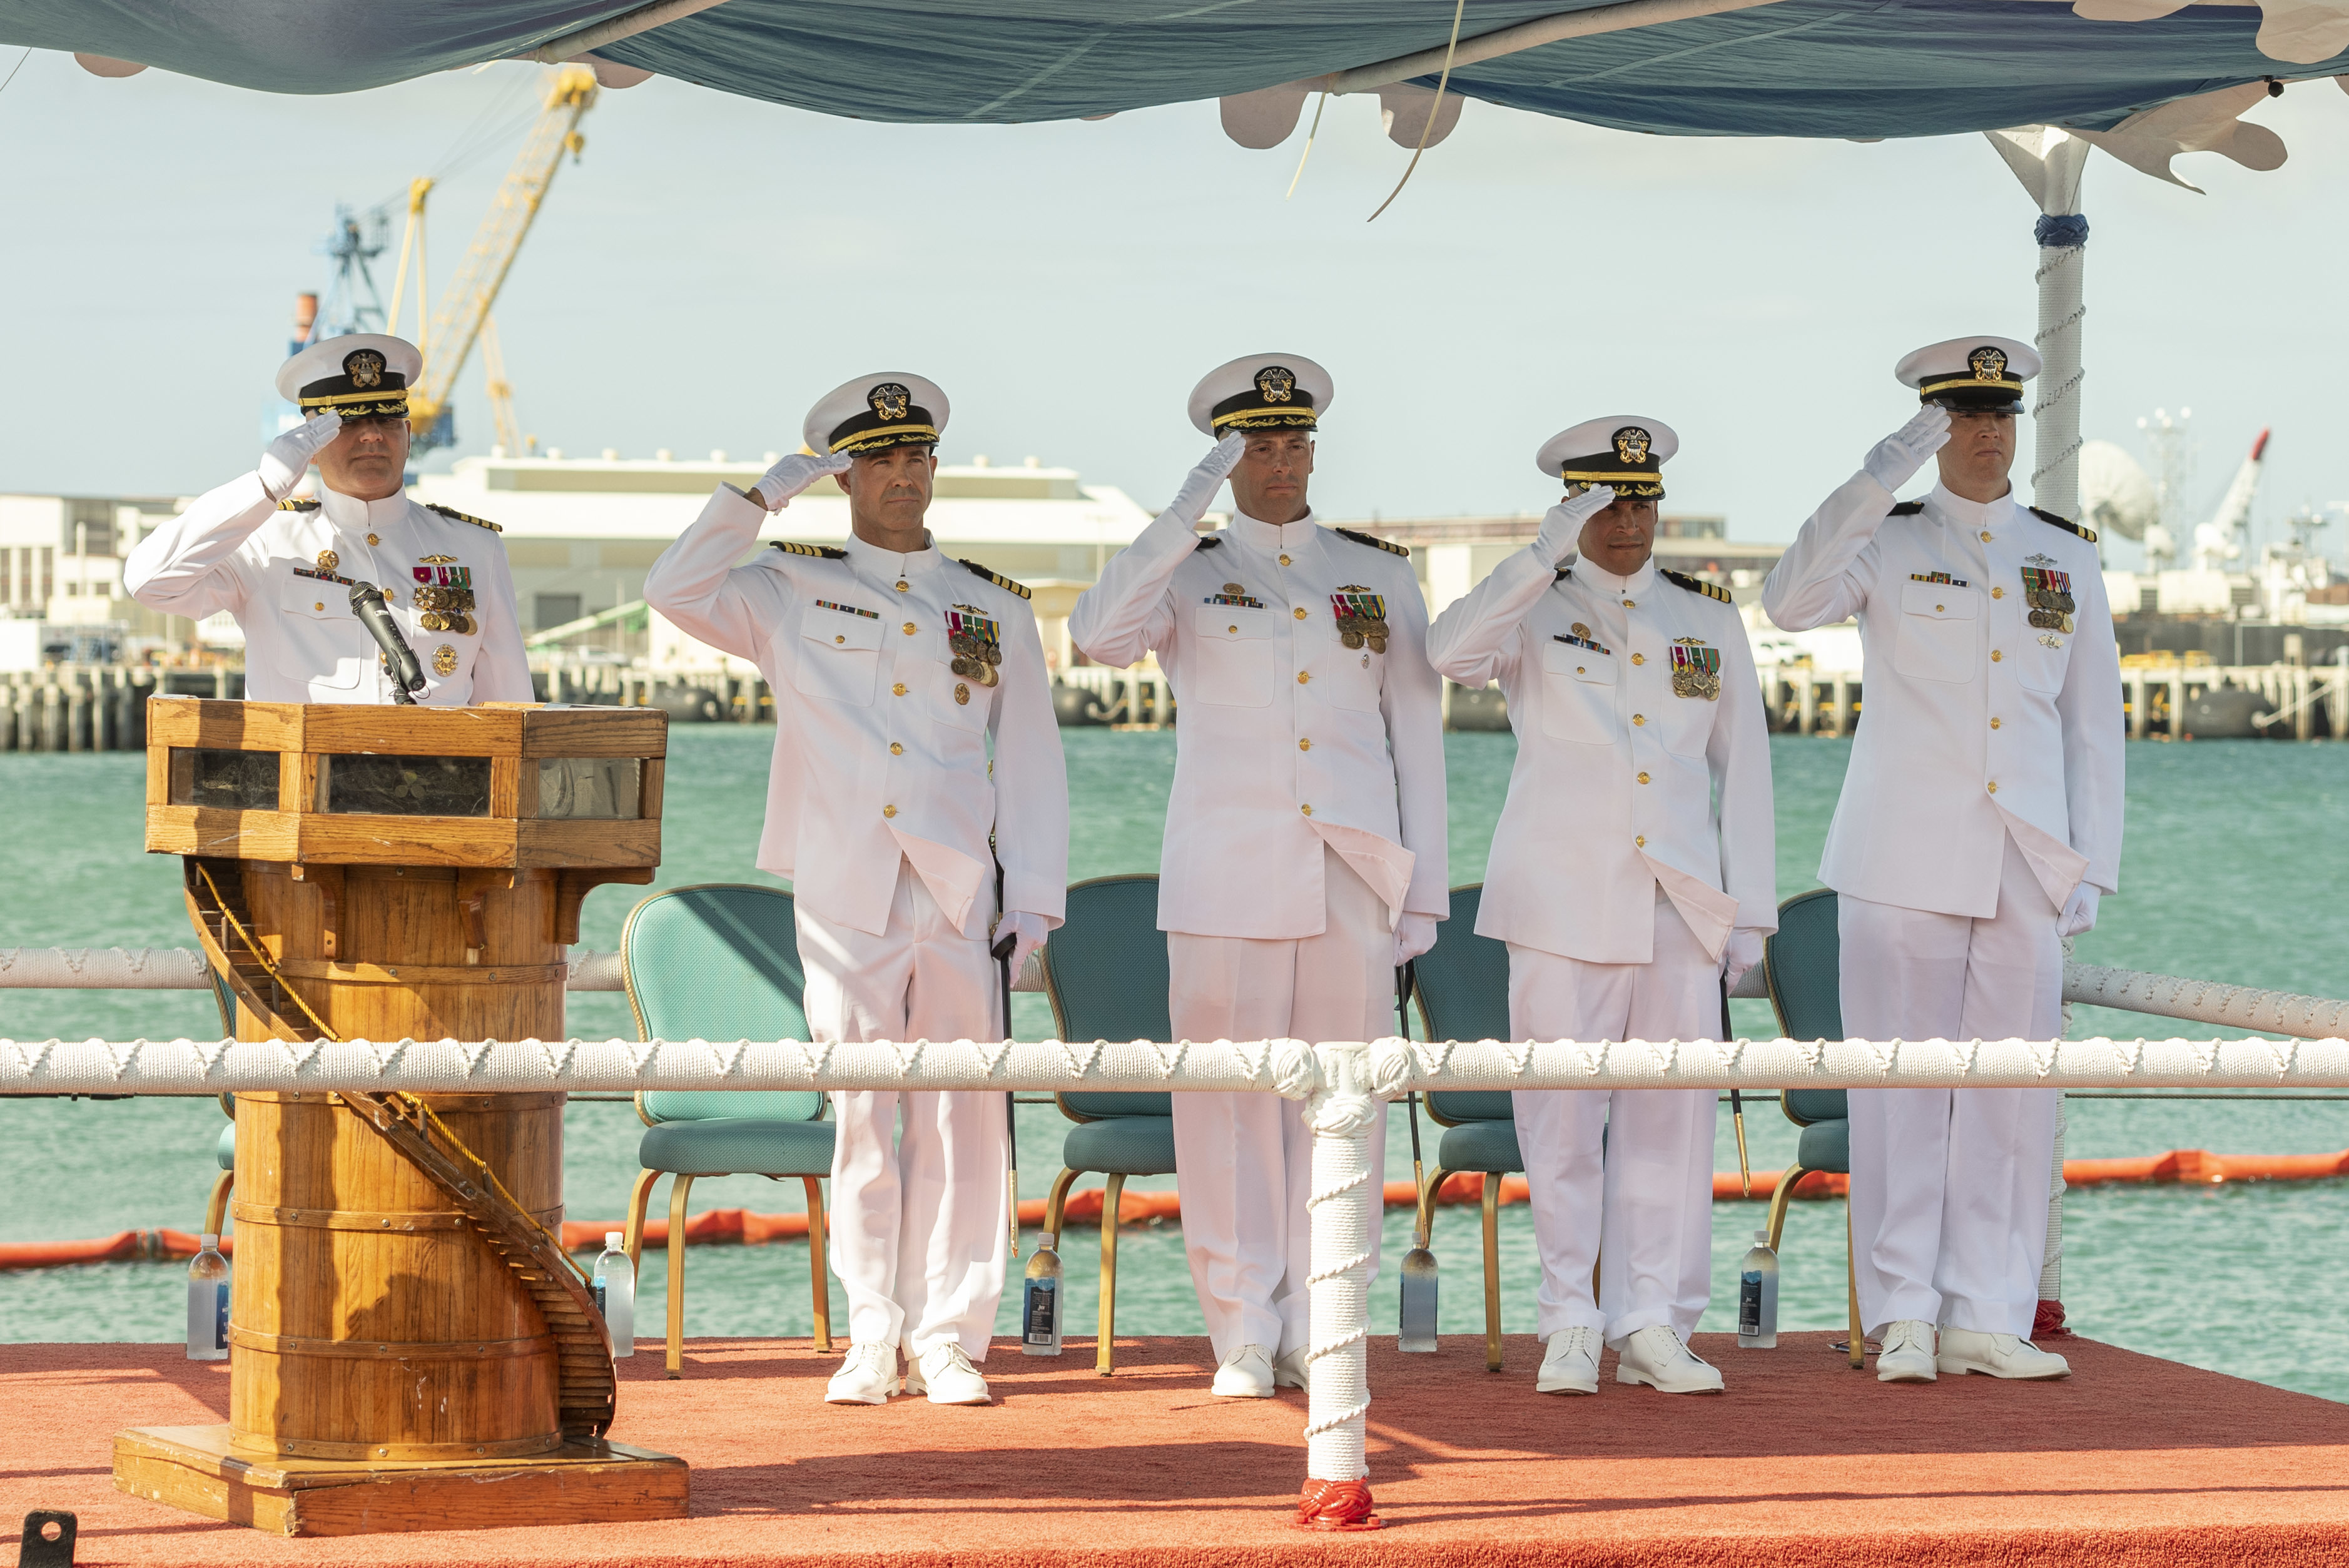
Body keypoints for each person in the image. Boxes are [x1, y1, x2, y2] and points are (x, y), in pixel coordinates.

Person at [644, 373, 1068, 1408]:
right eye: (880, 457)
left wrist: (1037, 898)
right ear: (845, 472)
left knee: (970, 1119)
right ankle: (872, 1332)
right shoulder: (786, 585)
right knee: (862, 1118)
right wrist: (759, 497)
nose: (903, 474)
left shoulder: (991, 604)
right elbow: (674, 589)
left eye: (917, 455)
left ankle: (954, 1335)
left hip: (964, 886)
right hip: (845, 887)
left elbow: (1033, 761)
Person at [1067, 354, 1446, 1398]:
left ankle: (1324, 1323)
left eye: (1292, 442)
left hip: (1354, 874)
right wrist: (1182, 509)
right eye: (1257, 447)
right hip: (1228, 874)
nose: (1280, 462)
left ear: (1314, 448)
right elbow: (1097, 636)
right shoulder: (1183, 572)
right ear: (1229, 459)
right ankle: (1240, 1326)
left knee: (1342, 1107)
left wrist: (1426, 892)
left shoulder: (1380, 574)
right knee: (1228, 1104)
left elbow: (1419, 740)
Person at [1762, 335, 2122, 1384]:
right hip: (1902, 857)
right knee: (1901, 1093)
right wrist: (1883, 470)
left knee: (2012, 1098)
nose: (1984, 433)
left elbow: (2094, 727)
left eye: (1998, 414)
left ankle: (1988, 1311)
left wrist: (2090, 868)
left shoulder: (2066, 552)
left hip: (2027, 862)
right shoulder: (1887, 536)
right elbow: (1789, 599)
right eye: (1961, 416)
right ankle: (1905, 1310)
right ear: (1934, 427)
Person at [1428, 418, 1774, 1396]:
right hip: (1558, 904)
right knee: (1560, 1120)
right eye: (1605, 502)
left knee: (1671, 1122)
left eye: (1640, 500)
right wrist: (1542, 549)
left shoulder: (1705, 618)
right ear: (1574, 507)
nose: (1628, 520)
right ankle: (1568, 1318)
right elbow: (1447, 651)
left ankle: (1650, 1319)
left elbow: (1743, 773)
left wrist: (1746, 915)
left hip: (1676, 905)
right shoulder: (1533, 607)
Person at [124, 334, 531, 703]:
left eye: (387, 419)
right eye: (350, 421)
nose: (372, 435)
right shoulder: (268, 540)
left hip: (437, 784)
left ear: (408, 433)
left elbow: (509, 706)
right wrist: (264, 487)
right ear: (311, 442)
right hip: (302, 782)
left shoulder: (476, 549)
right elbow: (149, 582)